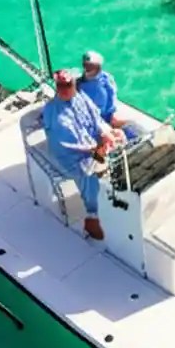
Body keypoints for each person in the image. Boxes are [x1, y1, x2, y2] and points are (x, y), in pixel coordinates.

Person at [40, 69, 123, 240]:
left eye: (68, 85)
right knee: (88, 172)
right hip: (70, 156)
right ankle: (92, 217)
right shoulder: (56, 114)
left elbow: (97, 120)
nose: (64, 89)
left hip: (93, 144)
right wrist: (102, 146)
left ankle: (117, 192)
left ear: (74, 85)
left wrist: (107, 133)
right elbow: (75, 144)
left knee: (122, 142)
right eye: (60, 85)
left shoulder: (81, 97)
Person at [77, 50, 143, 139]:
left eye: (92, 66)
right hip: (94, 123)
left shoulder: (106, 78)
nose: (88, 69)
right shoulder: (78, 86)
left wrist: (113, 116)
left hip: (108, 115)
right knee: (111, 136)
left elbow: (112, 97)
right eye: (86, 65)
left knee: (132, 125)